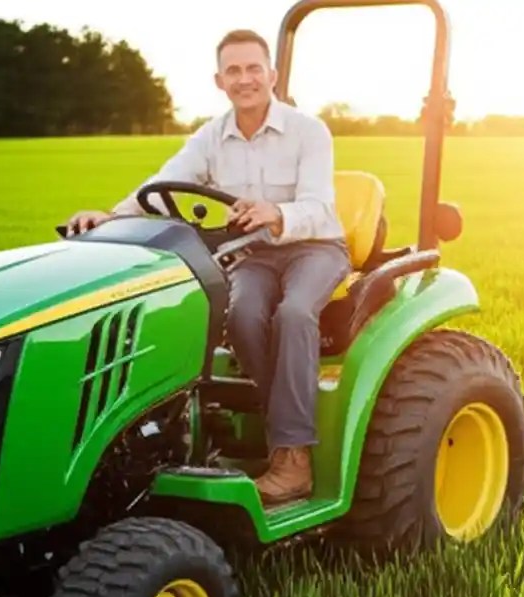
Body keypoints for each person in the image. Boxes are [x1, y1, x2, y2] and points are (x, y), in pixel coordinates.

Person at [64, 29, 350, 507]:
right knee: (239, 316)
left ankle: (293, 458)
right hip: (254, 253)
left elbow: (320, 207)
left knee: (296, 314)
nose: (245, 79)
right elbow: (165, 181)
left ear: (272, 75)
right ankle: (274, 414)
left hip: (315, 247)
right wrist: (112, 216)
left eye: (254, 68)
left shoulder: (308, 131)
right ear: (220, 81)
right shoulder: (211, 137)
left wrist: (278, 213)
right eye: (234, 71)